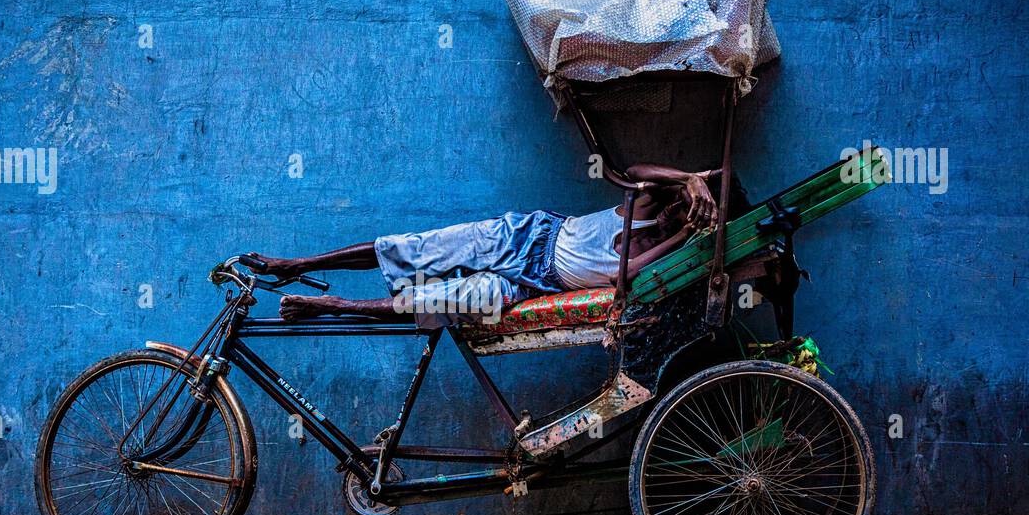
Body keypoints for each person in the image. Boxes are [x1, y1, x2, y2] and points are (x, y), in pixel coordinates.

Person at [248, 166, 724, 326]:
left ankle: (331, 305)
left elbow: (627, 276)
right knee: (416, 248)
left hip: (535, 286)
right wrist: (689, 180)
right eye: (679, 204)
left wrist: (684, 233)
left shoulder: (664, 249)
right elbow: (632, 170)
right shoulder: (649, 201)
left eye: (682, 215)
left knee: (433, 301)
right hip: (527, 234)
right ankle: (297, 263)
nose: (671, 212)